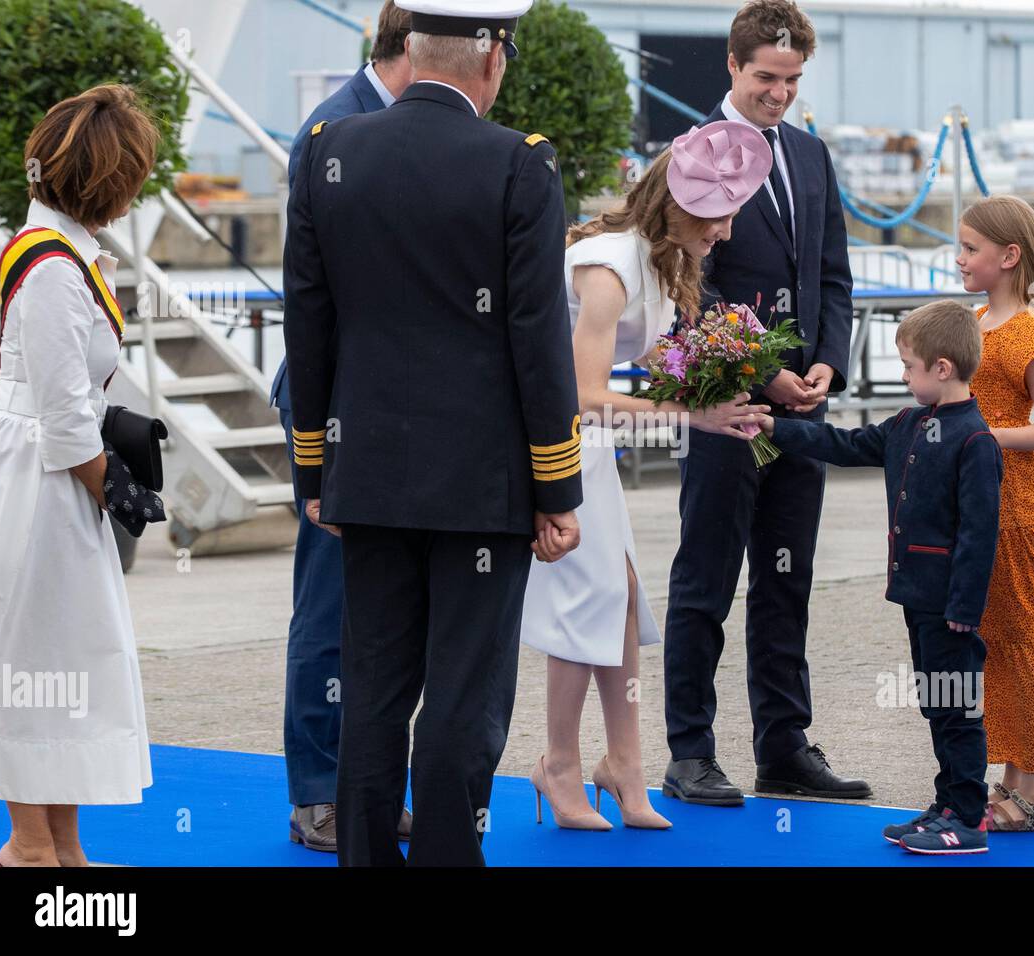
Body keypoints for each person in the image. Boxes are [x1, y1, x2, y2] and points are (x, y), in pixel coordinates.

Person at [282, 0, 583, 866]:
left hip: (368, 473)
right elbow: (538, 342)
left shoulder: (329, 150)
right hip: (481, 487)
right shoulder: (519, 163)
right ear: (491, 56)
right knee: (463, 696)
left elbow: (310, 325)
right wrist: (556, 487)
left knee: (374, 688)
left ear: (409, 51)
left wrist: (315, 473)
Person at [520, 123, 774, 830]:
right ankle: (560, 765)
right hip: (558, 445)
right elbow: (584, 394)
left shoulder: (658, 265)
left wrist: (738, 386)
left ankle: (623, 765)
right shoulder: (608, 268)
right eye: (716, 213)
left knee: (623, 601)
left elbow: (658, 378)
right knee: (588, 601)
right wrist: (696, 414)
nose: (725, 230)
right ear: (677, 206)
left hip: (589, 448)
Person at [662, 0, 865, 805]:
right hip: (723, 413)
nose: (779, 93)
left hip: (801, 417)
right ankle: (689, 752)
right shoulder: (685, 156)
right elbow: (683, 285)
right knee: (705, 582)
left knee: (787, 581)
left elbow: (834, 279)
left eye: (791, 80)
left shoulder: (811, 157)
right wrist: (761, 370)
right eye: (765, 78)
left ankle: (784, 747)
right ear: (732, 66)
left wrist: (824, 366)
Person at [759, 301, 1004, 853]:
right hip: (918, 600)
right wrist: (776, 427)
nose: (903, 374)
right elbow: (843, 445)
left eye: (909, 365)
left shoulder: (976, 441)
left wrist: (965, 612)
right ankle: (947, 801)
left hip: (950, 611)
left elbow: (978, 536)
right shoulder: (909, 423)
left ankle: (967, 818)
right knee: (937, 704)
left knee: (958, 708)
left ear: (942, 368)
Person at [0, 84, 157, 866]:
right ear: (107, 181)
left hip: (56, 472)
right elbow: (60, 412)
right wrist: (118, 491)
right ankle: (29, 846)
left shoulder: (63, 251)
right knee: (31, 664)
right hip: (45, 480)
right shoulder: (53, 266)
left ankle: (60, 846)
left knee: (66, 660)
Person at [267, 0, 416, 855]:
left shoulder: (373, 119)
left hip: (377, 400)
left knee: (382, 609)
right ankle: (318, 792)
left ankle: (361, 786)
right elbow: (316, 296)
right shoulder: (337, 127)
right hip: (337, 403)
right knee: (330, 605)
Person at [957, 195, 1034, 831]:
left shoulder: (1031, 330)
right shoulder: (973, 322)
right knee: (994, 642)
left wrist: (986, 436)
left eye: (971, 248)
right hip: (978, 505)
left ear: (1009, 256)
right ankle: (1013, 779)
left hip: (1021, 504)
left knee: (1028, 642)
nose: (961, 257)